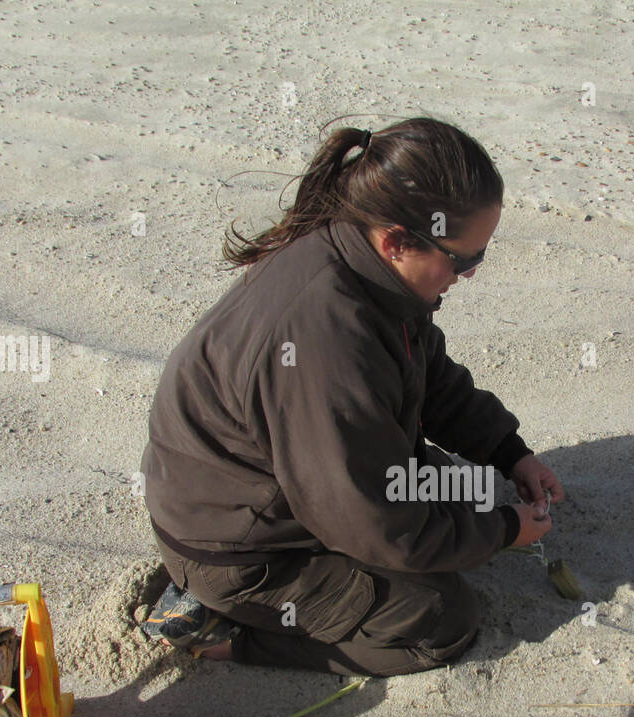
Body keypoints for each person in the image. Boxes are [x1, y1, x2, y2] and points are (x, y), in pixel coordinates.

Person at [138, 117, 563, 676]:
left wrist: (509, 453)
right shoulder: (325, 341)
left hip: (297, 487)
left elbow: (428, 373)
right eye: (462, 261)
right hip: (244, 551)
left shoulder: (366, 263)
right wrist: (507, 531)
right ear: (396, 241)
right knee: (443, 616)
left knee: (474, 492)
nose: (470, 275)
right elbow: (378, 524)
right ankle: (219, 634)